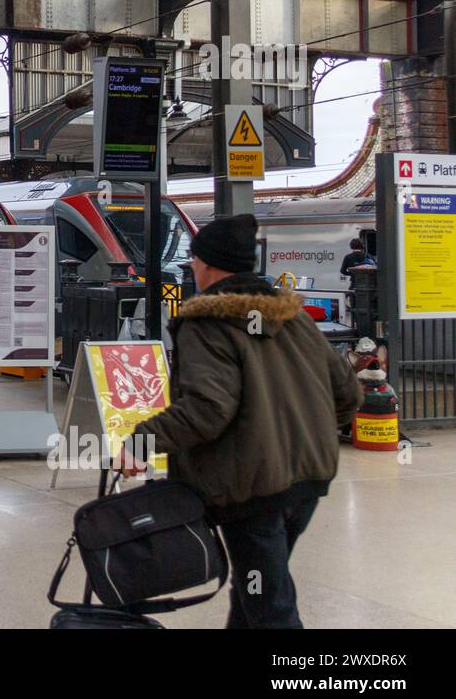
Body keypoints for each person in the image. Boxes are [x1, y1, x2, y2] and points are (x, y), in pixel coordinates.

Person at [118, 213, 360, 628]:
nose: (192, 269)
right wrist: (305, 433)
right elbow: (348, 394)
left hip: (251, 489)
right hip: (306, 481)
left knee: (271, 606)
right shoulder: (295, 317)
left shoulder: (208, 324)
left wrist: (140, 442)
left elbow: (207, 410)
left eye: (194, 261)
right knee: (257, 589)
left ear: (208, 264)